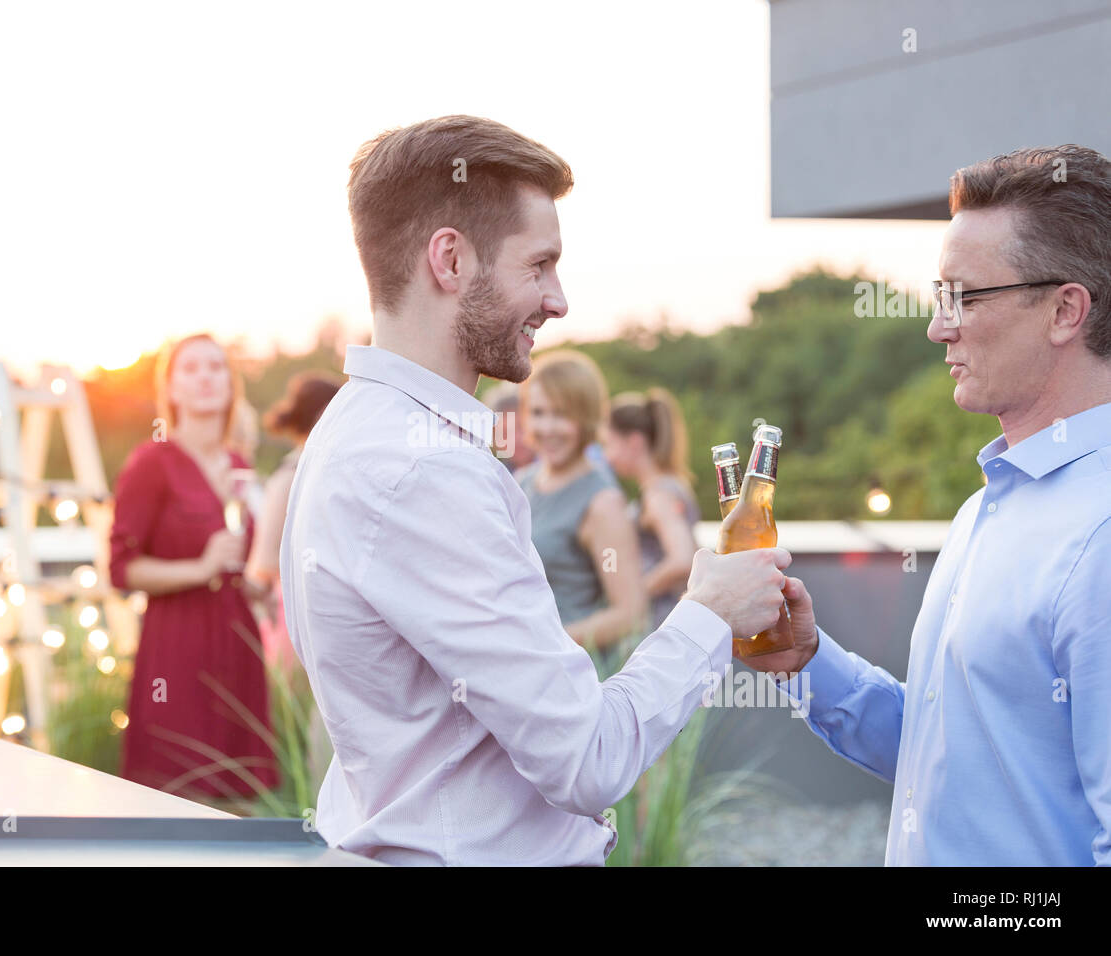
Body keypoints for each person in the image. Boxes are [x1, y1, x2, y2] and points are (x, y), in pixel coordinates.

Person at [279, 114, 798, 866]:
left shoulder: (355, 428)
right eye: (540, 264)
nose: (558, 300)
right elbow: (584, 758)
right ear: (450, 260)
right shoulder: (423, 469)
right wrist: (711, 613)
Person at [750, 145, 1111, 866]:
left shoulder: (1098, 534)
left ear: (1065, 311)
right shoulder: (986, 509)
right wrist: (807, 661)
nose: (936, 327)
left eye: (963, 297)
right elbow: (951, 758)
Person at [109, 332, 278, 803]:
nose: (205, 377)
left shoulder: (239, 466)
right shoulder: (152, 463)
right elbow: (121, 569)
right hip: (177, 649)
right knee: (180, 796)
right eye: (191, 368)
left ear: (231, 384)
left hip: (237, 644)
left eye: (216, 367)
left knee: (238, 803)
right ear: (172, 388)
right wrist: (199, 568)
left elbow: (243, 560)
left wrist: (255, 585)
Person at [514, 350, 647, 677]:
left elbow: (629, 613)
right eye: (539, 412)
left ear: (586, 417)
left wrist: (543, 647)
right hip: (517, 670)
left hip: (563, 675)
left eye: (561, 414)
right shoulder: (523, 481)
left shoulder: (602, 503)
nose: (547, 427)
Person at [247, 370, 342, 786]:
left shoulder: (328, 468)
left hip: (323, 610)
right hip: (294, 612)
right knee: (305, 720)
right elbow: (263, 562)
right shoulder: (290, 476)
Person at [602, 388, 701, 633]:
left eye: (608, 444)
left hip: (662, 620)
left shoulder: (659, 495)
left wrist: (633, 597)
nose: (606, 456)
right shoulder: (667, 485)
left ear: (634, 442)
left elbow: (683, 559)